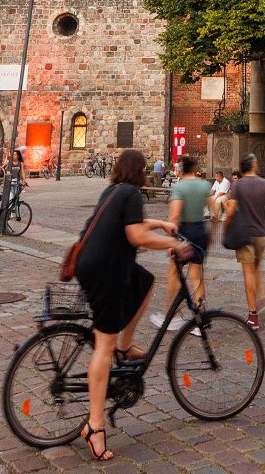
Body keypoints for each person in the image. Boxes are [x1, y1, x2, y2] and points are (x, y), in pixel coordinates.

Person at [74, 148, 186, 462]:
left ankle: (126, 345)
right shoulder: (132, 194)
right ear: (138, 171)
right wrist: (173, 243)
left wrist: (161, 224)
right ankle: (94, 427)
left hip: (94, 262)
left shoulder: (114, 190)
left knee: (145, 281)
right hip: (105, 270)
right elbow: (135, 236)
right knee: (103, 345)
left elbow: (132, 222)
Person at [153, 155, 211, 330]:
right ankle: (201, 319)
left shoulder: (179, 187)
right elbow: (214, 208)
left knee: (174, 273)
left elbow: (175, 215)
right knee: (197, 276)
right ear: (194, 168)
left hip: (185, 232)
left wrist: (172, 239)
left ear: (182, 169)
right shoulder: (204, 185)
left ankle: (170, 315)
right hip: (201, 230)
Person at [219, 153, 265, 330]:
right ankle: (261, 298)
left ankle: (253, 315)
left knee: (248, 273)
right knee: (256, 269)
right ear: (252, 165)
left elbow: (230, 211)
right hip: (261, 234)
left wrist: (225, 228)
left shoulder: (238, 185)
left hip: (245, 234)